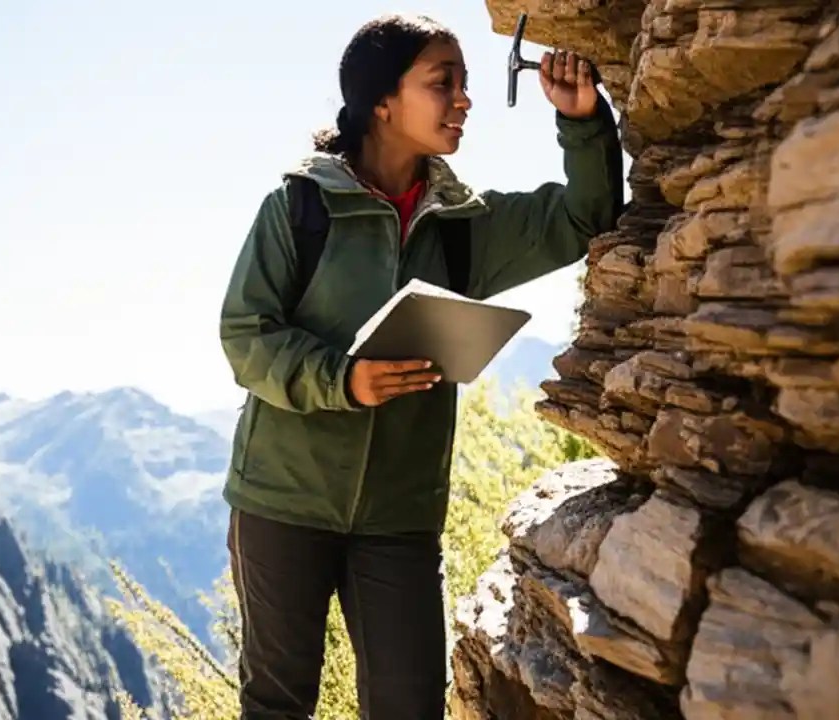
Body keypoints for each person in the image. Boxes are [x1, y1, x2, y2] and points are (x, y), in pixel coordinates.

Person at [217, 12, 623, 720]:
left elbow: (583, 219)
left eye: (465, 84)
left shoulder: (463, 228)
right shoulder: (299, 208)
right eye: (444, 84)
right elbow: (245, 335)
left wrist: (584, 123)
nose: (464, 99)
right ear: (382, 102)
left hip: (401, 517)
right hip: (282, 503)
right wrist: (342, 380)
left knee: (409, 707)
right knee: (276, 705)